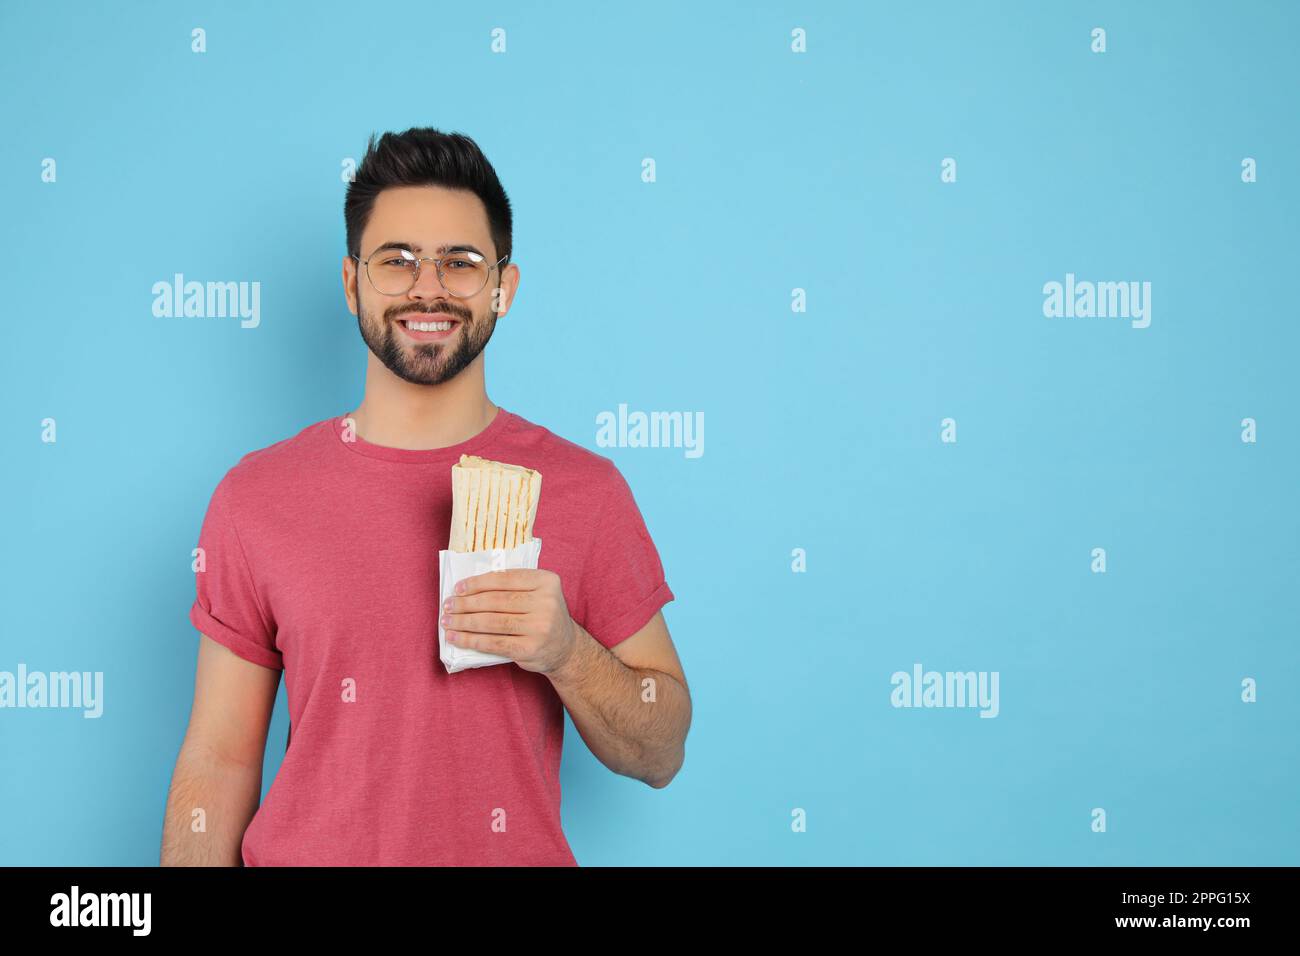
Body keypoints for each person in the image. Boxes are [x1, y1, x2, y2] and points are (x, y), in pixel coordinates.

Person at [160, 128, 690, 866]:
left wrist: (567, 651)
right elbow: (218, 761)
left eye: (461, 263)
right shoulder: (256, 498)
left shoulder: (586, 493)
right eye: (396, 260)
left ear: (504, 287)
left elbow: (660, 751)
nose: (427, 287)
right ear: (352, 284)